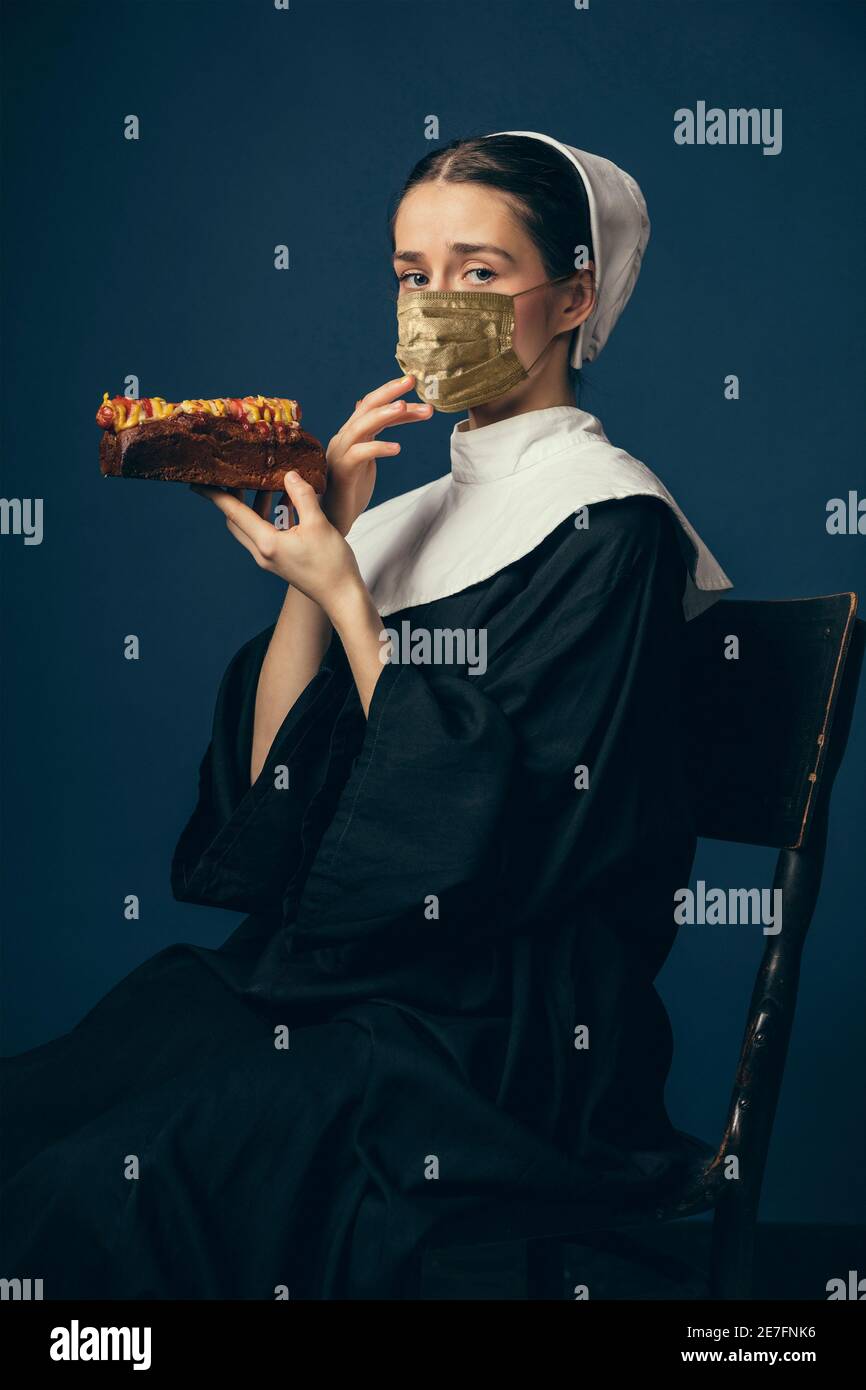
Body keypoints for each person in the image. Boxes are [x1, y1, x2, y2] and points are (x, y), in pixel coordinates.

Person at [0, 131, 732, 1300]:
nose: (435, 304)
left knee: (114, 1183)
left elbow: (488, 838)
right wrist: (319, 575)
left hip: (499, 1022)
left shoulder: (614, 523)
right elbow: (272, 809)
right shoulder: (402, 518)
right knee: (42, 1112)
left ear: (574, 296)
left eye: (480, 273)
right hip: (333, 978)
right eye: (410, 273)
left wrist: (349, 599)